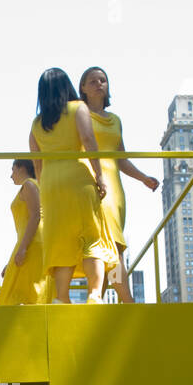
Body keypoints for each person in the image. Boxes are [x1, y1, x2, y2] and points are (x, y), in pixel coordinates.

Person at [28, 68, 117, 304]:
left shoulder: (37, 124)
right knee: (91, 239)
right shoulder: (78, 108)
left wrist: (43, 191)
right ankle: (95, 294)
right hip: (77, 178)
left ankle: (62, 297)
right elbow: (89, 141)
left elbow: (37, 164)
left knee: (61, 242)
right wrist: (99, 175)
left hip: (50, 184)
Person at [77, 66, 158, 302]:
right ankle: (128, 301)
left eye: (103, 80)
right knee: (110, 245)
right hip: (91, 182)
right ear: (82, 87)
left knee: (109, 245)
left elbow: (121, 158)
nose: (98, 84)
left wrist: (143, 178)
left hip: (115, 187)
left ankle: (98, 303)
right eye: (92, 81)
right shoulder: (78, 114)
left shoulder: (115, 120)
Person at [0, 159, 52, 306]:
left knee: (27, 295)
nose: (11, 175)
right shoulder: (32, 185)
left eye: (13, 169)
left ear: (22, 168)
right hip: (30, 242)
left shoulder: (29, 184)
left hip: (32, 244)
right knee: (27, 295)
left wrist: (22, 249)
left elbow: (35, 215)